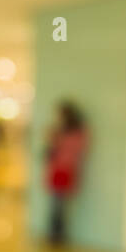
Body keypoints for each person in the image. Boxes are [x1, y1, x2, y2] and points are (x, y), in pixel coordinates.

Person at [44, 101, 88, 244]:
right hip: (59, 169)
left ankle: (56, 236)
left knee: (58, 205)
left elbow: (71, 151)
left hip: (64, 170)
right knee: (57, 204)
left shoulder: (73, 133)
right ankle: (55, 234)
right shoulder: (63, 131)